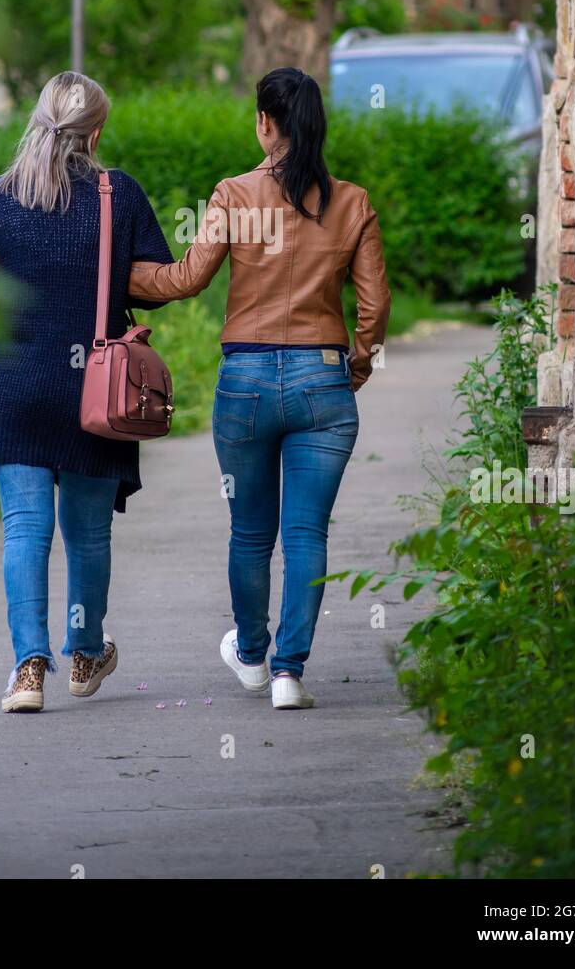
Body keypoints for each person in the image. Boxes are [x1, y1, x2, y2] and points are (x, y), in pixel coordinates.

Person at [129, 67, 390, 710]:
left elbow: (186, 279)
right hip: (323, 382)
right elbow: (375, 307)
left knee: (250, 532)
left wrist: (113, 276)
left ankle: (250, 652)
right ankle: (288, 672)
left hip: (245, 381)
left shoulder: (234, 195)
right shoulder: (353, 203)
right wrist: (352, 369)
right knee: (307, 535)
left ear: (265, 123)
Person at [0, 72, 171, 713]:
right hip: (96, 391)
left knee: (24, 530)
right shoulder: (118, 193)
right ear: (96, 132)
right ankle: (84, 653)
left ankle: (27, 671)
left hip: (17, 388)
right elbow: (152, 280)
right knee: (89, 534)